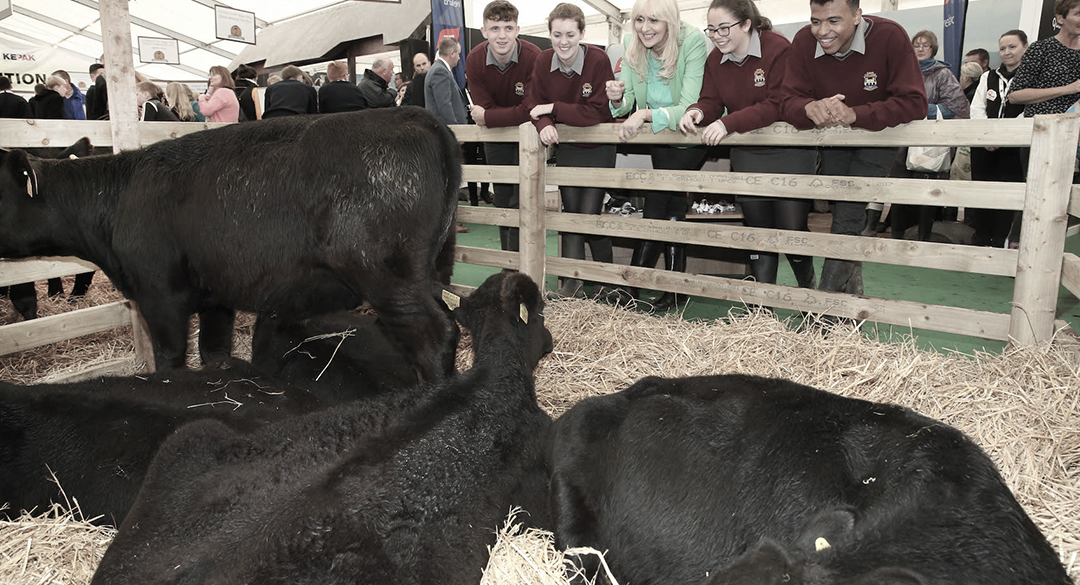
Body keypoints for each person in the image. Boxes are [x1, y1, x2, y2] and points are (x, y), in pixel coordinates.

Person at [780, 0, 927, 296]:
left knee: (848, 216)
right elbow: (787, 100)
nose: (822, 31)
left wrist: (857, 115)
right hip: (833, 140)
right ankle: (852, 299)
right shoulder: (802, 41)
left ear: (858, 15)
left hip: (878, 138)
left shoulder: (890, 36)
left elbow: (915, 102)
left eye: (833, 21)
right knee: (844, 212)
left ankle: (824, 310)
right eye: (815, 21)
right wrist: (808, 108)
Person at [678, 0, 817, 291]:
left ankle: (810, 303)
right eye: (712, 30)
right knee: (758, 232)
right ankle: (762, 309)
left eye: (724, 28)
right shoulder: (715, 60)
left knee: (793, 231)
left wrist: (728, 124)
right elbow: (712, 100)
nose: (717, 36)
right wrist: (698, 112)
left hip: (788, 153)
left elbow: (778, 104)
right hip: (747, 154)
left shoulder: (778, 48)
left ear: (746, 24)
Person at [606, 0, 708, 311]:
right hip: (658, 138)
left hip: (689, 138)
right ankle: (673, 289)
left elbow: (690, 105)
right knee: (671, 204)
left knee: (657, 202)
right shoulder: (631, 42)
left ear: (669, 22)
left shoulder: (692, 42)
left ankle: (631, 286)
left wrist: (645, 114)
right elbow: (629, 103)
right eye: (638, 19)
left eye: (653, 20)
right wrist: (619, 97)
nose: (644, 27)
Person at [528, 3, 617, 299]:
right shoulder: (542, 62)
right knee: (570, 215)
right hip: (568, 149)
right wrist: (543, 124)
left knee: (589, 216)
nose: (563, 41)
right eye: (557, 35)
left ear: (582, 33)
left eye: (569, 34)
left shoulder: (598, 59)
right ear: (550, 34)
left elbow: (597, 112)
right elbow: (533, 103)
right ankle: (572, 284)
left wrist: (553, 109)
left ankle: (608, 281)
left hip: (598, 146)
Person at [466, 0, 542, 253]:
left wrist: (489, 117)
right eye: (495, 28)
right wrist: (500, 116)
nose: (502, 35)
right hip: (496, 138)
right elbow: (485, 106)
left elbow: (530, 110)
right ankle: (509, 266)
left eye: (508, 28)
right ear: (484, 31)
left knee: (526, 199)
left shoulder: (534, 57)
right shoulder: (475, 60)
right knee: (502, 200)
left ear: (518, 30)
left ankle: (526, 262)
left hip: (529, 138)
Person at [887, 29, 969, 242]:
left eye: (926, 44)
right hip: (900, 140)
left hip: (929, 142)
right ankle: (896, 237)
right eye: (916, 44)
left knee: (926, 192)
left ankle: (923, 238)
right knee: (899, 189)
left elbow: (957, 106)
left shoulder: (943, 74)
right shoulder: (901, 72)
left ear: (933, 48)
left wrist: (921, 109)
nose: (920, 48)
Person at [968, 30, 1029, 248]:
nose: (1007, 52)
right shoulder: (988, 77)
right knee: (983, 195)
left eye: (1013, 47)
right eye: (1002, 48)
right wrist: (988, 136)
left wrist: (1004, 137)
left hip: (1013, 148)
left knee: (1007, 197)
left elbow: (1029, 111)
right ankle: (980, 241)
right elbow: (976, 109)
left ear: (1025, 47)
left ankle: (1000, 243)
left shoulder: (1031, 77)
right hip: (984, 146)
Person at [1008, 0, 1080, 118]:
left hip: (1075, 130)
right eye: (1078, 14)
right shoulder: (1040, 49)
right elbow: (1015, 96)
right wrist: (1068, 89)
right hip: (1042, 128)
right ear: (1061, 19)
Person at [425, 36, 468, 126]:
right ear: (452, 54)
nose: (459, 58)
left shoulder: (440, 69)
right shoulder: (440, 71)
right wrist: (455, 130)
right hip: (447, 131)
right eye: (458, 54)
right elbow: (444, 105)